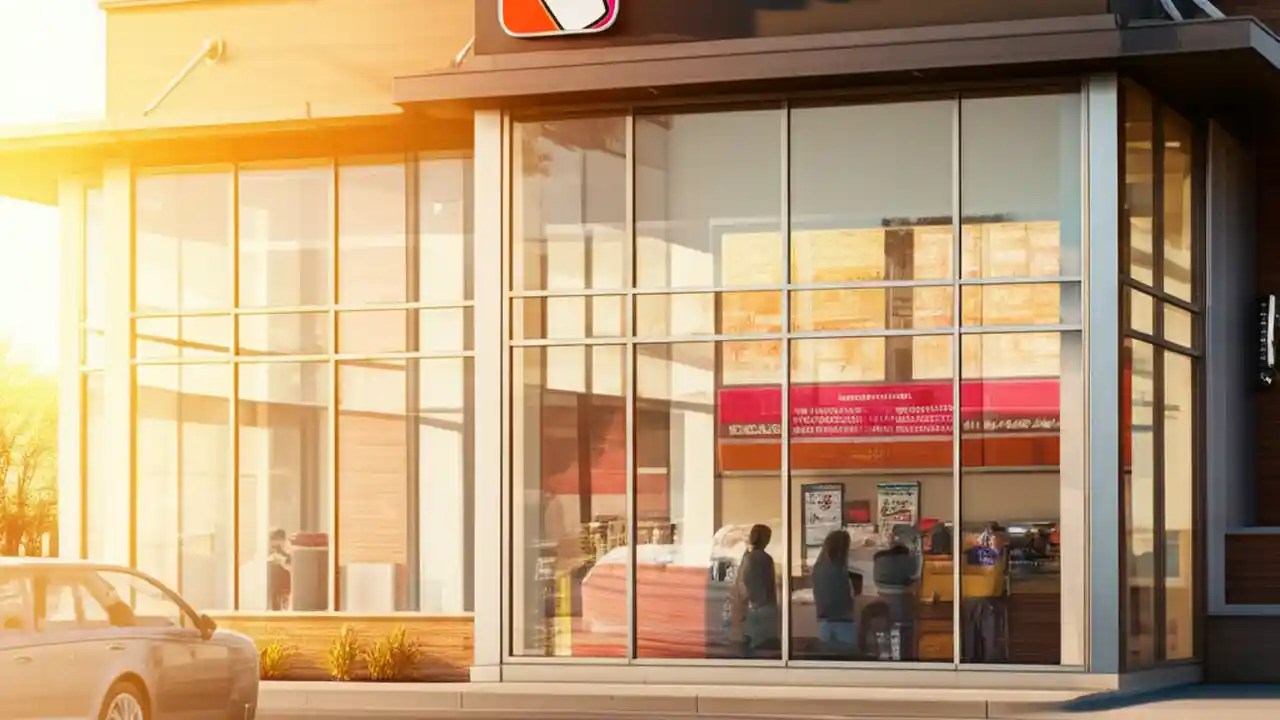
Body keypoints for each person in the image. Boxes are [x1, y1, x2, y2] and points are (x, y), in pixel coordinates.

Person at [736, 524, 779, 657]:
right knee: (763, 647)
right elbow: (765, 583)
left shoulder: (747, 557)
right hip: (763, 605)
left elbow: (742, 582)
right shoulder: (763, 558)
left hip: (753, 606)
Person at [812, 529, 857, 657]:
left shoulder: (819, 566)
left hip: (824, 620)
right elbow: (842, 596)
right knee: (847, 659)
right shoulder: (838, 569)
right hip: (842, 620)